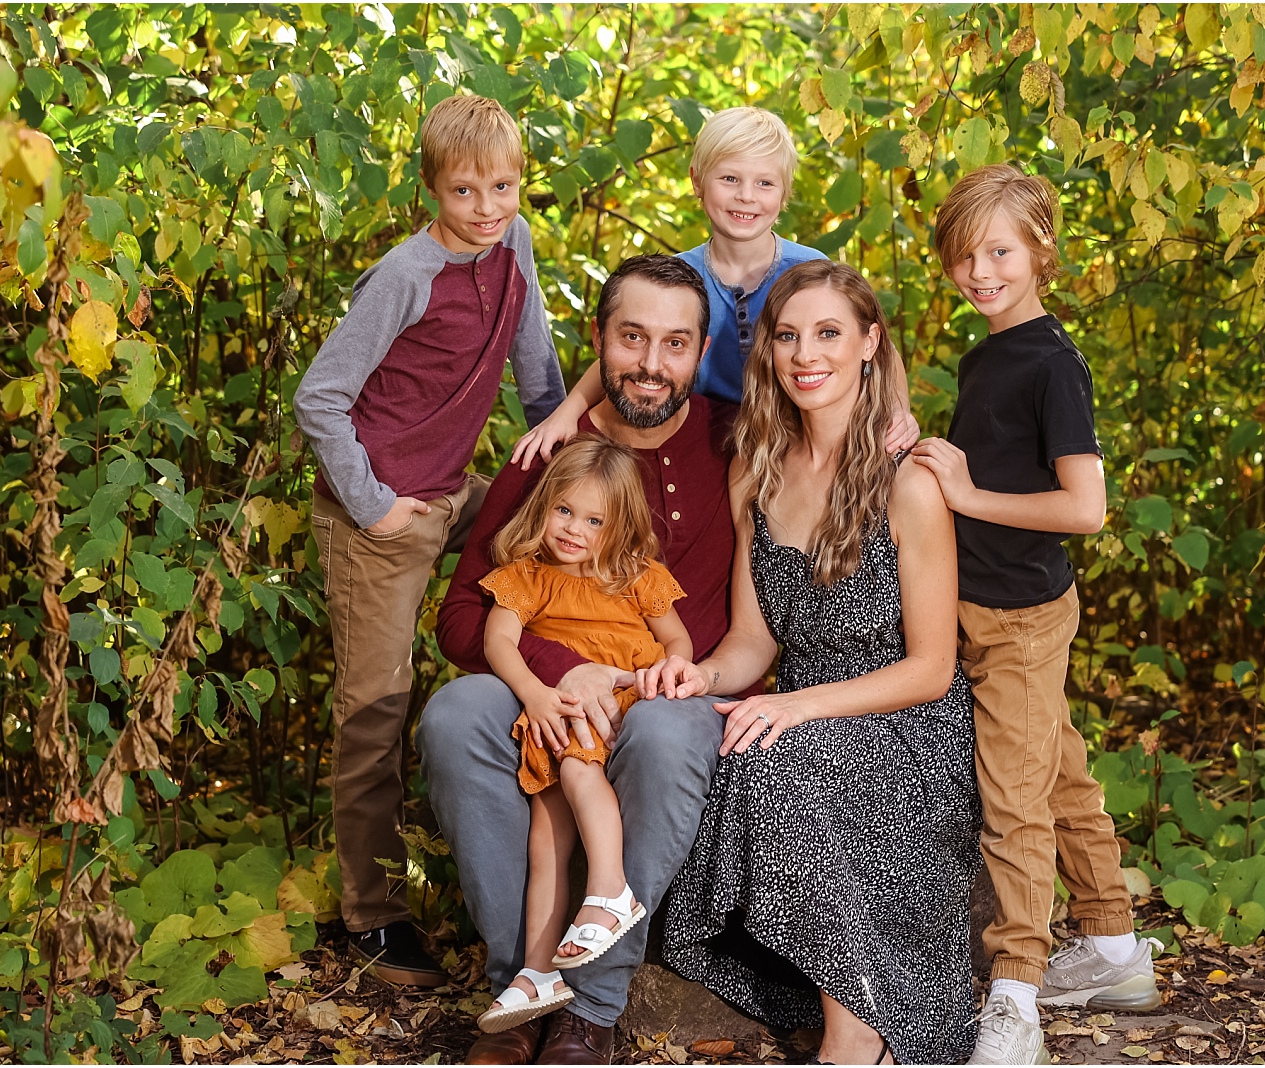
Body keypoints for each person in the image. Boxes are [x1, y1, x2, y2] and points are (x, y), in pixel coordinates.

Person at [646, 260, 983, 1065]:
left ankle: (856, 1029)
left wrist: (795, 709)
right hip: (804, 718)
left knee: (778, 761)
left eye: (829, 333)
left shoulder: (911, 483)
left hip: (909, 731)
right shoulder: (755, 471)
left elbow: (933, 667)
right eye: (788, 336)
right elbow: (754, 643)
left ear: (869, 343)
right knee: (720, 748)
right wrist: (701, 676)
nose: (806, 354)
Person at [416, 254, 737, 1065]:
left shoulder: (736, 442)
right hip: (543, 686)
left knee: (665, 737)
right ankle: (518, 992)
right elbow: (462, 617)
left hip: (672, 689)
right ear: (599, 342)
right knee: (457, 715)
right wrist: (564, 672)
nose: (652, 364)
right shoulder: (550, 458)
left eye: (675, 343)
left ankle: (588, 1007)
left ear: (701, 353)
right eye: (632, 338)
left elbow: (844, 376)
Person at [291, 93, 564, 986]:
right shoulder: (407, 276)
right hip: (380, 516)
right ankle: (372, 916)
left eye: (504, 187)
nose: (487, 208)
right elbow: (318, 397)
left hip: (453, 496)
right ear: (430, 190)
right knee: (376, 709)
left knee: (568, 542)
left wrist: (567, 467)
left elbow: (537, 374)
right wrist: (372, 504)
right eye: (464, 191)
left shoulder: (512, 247)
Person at [911, 164, 1160, 1066]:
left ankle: (1014, 1000)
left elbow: (1083, 507)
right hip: (975, 603)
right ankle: (1116, 948)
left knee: (1012, 806)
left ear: (1041, 252)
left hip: (1021, 614)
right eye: (965, 256)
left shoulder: (1053, 362)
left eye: (1001, 251)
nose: (980, 271)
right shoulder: (989, 354)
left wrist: (970, 493)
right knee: (1056, 776)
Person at [511, 106, 917, 466]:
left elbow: (877, 349)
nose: (746, 197)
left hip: (796, 440)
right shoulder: (677, 279)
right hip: (705, 446)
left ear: (784, 192)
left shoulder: (810, 270)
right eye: (729, 178)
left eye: (764, 184)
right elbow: (628, 348)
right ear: (697, 181)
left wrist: (899, 410)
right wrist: (568, 411)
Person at [475, 436, 692, 1035]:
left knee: (577, 770)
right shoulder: (525, 577)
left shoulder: (636, 576)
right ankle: (538, 971)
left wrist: (658, 675)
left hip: (615, 694)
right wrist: (535, 694)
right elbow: (498, 643)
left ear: (619, 527)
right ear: (543, 506)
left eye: (595, 520)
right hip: (556, 705)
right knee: (545, 836)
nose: (573, 529)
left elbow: (678, 642)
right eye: (564, 510)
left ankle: (610, 889)